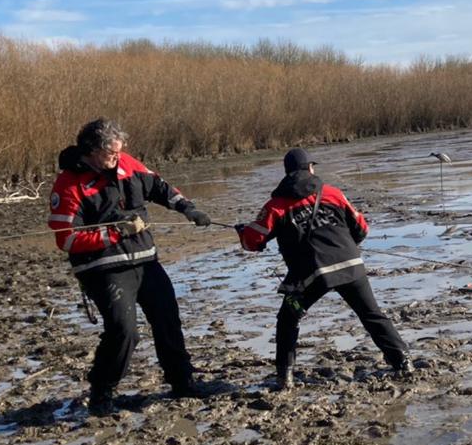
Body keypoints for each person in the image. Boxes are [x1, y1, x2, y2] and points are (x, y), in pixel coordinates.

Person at [47, 118, 214, 416]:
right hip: (105, 268)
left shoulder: (127, 164)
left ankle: (182, 382)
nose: (117, 158)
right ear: (92, 151)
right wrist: (116, 232)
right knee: (124, 331)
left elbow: (160, 187)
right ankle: (102, 391)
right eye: (111, 153)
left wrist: (189, 209)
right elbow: (66, 239)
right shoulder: (69, 184)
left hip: (146, 260)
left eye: (120, 152)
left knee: (167, 319)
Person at [236, 148, 411, 390]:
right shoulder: (332, 193)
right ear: (310, 168)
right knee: (372, 315)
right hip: (350, 265)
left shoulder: (275, 206)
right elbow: (361, 228)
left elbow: (252, 242)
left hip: (310, 277)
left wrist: (242, 232)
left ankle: (285, 378)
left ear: (287, 172)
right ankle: (403, 362)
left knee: (288, 320)